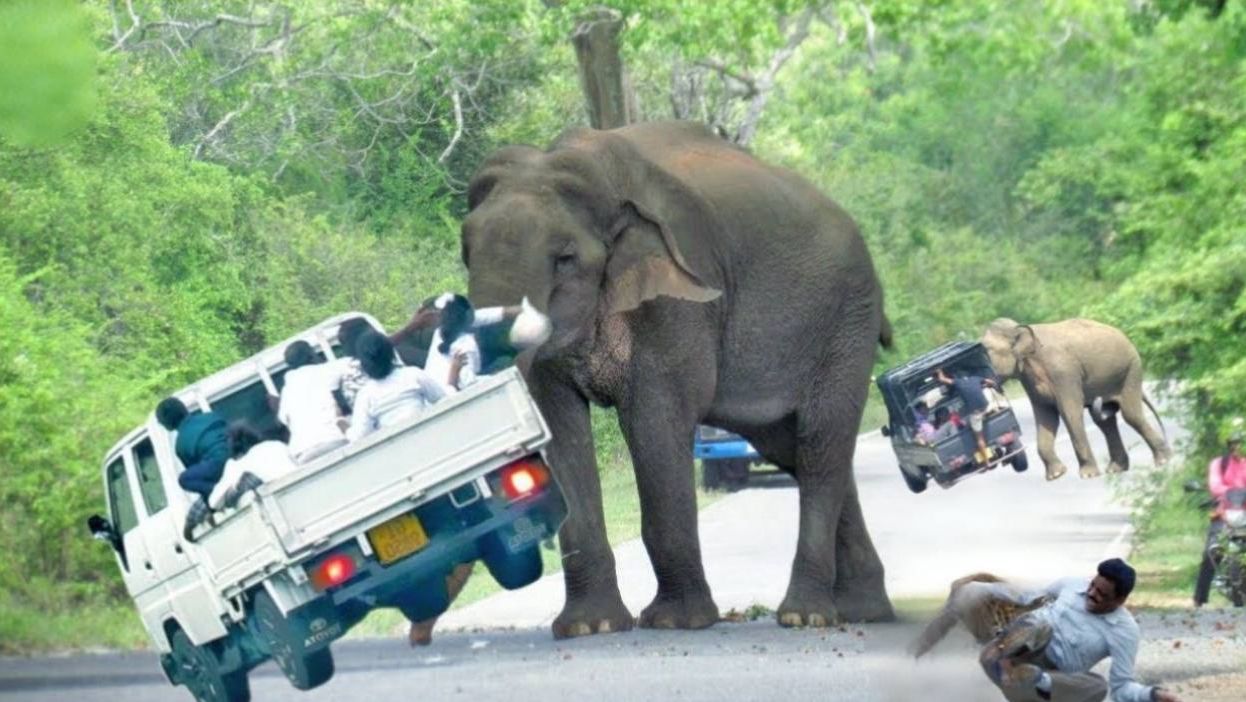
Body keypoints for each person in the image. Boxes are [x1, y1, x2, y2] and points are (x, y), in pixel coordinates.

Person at [978, 558, 1183, 702]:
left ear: (1120, 600)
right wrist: (985, 589)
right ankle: (1000, 657)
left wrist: (1152, 695)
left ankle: (1033, 680)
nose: (1091, 594)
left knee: (1099, 687)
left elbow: (1121, 688)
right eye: (1092, 586)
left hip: (1053, 678)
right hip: (1020, 648)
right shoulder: (1072, 585)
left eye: (1102, 594)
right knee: (1041, 625)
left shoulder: (1125, 630)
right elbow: (1027, 597)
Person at [346, 331, 449, 442]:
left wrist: (346, 429)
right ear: (391, 353)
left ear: (363, 363)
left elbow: (359, 436)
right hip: (427, 435)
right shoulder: (412, 375)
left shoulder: (365, 395)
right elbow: (442, 399)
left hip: (395, 446)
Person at [157, 397, 230, 536]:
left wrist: (211, 507)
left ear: (168, 424)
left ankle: (221, 492)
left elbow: (200, 480)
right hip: (237, 452)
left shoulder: (180, 444)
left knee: (185, 479)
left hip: (216, 465)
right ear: (184, 409)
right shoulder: (211, 416)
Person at [1193, 430, 1246, 607]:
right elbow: (1215, 485)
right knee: (1211, 550)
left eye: (1239, 443)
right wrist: (1228, 493)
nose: (1236, 447)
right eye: (1233, 443)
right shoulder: (1219, 464)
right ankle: (1200, 597)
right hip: (1224, 512)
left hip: (1244, 514)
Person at [278, 340, 349, 463]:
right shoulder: (322, 371)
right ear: (311, 356)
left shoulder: (287, 389)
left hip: (301, 452)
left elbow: (284, 419)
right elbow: (356, 361)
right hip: (332, 440)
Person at [207, 423, 299, 511]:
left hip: (277, 506)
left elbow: (213, 502)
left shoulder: (238, 464)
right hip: (300, 492)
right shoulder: (277, 445)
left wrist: (234, 489)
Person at [935, 367, 997, 465]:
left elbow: (942, 379)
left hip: (976, 413)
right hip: (986, 407)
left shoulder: (958, 382)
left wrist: (939, 371)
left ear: (957, 377)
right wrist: (986, 385)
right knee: (966, 416)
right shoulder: (975, 378)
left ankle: (987, 462)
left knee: (979, 438)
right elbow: (991, 382)